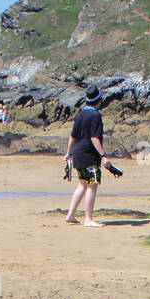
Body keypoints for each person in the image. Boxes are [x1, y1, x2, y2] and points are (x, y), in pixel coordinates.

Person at [64, 84, 113, 227]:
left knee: (82, 185)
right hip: (89, 156)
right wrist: (104, 156)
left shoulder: (80, 115)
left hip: (78, 154)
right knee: (92, 185)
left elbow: (72, 136)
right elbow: (94, 138)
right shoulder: (96, 115)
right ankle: (88, 219)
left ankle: (71, 215)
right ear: (98, 101)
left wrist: (69, 153)